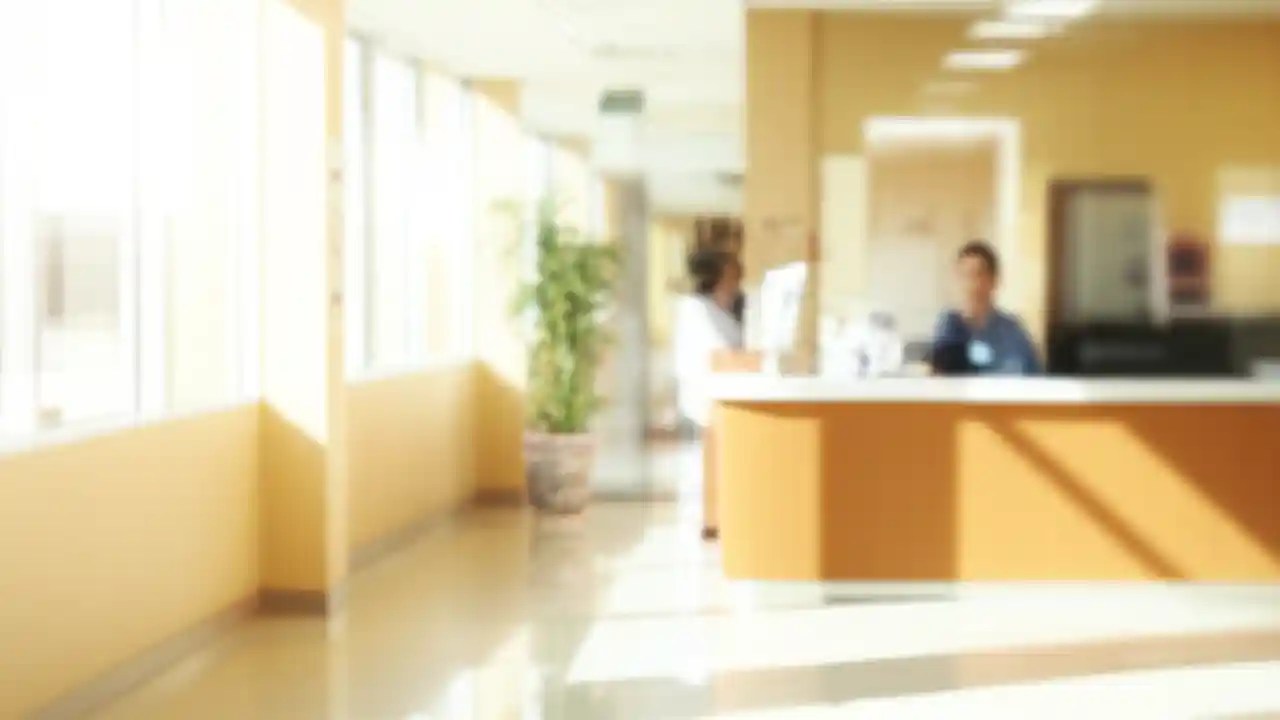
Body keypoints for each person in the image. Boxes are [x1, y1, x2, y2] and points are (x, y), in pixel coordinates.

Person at [931, 241, 1041, 376]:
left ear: (994, 280)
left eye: (978, 275)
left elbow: (1035, 379)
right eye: (964, 276)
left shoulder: (1013, 332)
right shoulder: (948, 328)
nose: (971, 285)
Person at [674, 250, 744, 432]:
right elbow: (723, 357)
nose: (737, 282)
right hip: (701, 413)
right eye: (732, 275)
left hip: (720, 411)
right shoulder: (696, 309)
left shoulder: (722, 313)